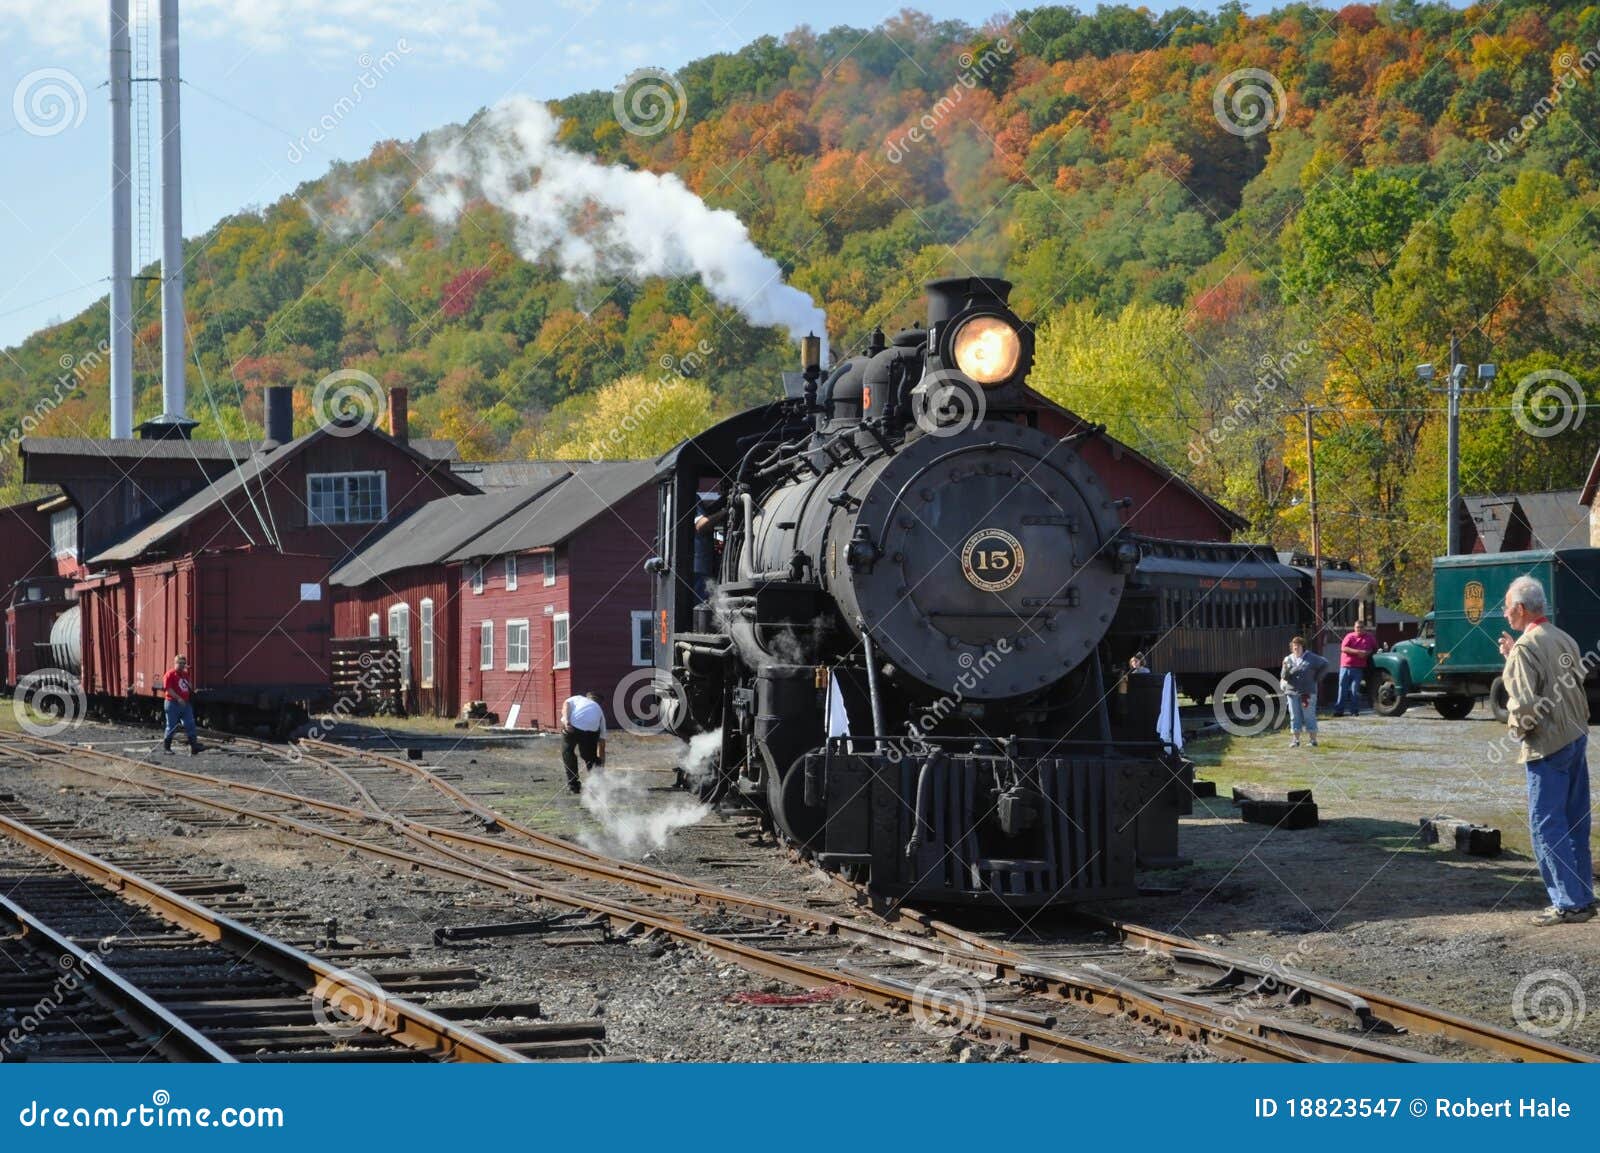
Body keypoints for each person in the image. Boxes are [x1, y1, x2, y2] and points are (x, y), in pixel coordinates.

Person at [1497, 575, 1594, 925]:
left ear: (1521, 609)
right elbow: (1563, 684)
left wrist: (1516, 734)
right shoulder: (1563, 638)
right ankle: (1582, 896)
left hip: (1548, 745)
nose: (1505, 614)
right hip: (1574, 737)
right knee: (1575, 822)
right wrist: (1513, 656)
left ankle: (1566, 902)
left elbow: (1523, 704)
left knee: (1546, 826)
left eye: (1507, 608)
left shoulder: (1526, 647)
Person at [1279, 636, 1329, 748]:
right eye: (1294, 645)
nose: (1296, 647)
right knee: (1294, 716)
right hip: (1291, 692)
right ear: (1291, 647)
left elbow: (1325, 664)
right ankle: (1295, 740)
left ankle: (1313, 740)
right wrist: (1286, 669)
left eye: (1298, 645)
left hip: (1307, 692)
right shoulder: (1288, 659)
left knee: (1309, 716)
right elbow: (1283, 676)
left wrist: (1317, 678)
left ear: (1303, 646)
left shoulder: (1311, 657)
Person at [561, 691, 607, 794]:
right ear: (600, 703)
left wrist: (566, 721)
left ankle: (573, 785)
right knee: (589, 756)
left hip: (573, 726)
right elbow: (602, 745)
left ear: (587, 697)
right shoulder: (600, 713)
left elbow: (566, 704)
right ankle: (595, 784)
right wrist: (601, 768)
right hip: (591, 730)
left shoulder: (578, 699)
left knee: (568, 752)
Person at [1332, 618, 1378, 716]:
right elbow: (1344, 648)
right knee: (1342, 689)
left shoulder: (1369, 637)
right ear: (1354, 628)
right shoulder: (1349, 636)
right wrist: (1358, 652)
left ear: (1364, 628)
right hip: (1345, 666)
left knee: (1355, 690)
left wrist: (1367, 653)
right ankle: (1339, 711)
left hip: (1359, 667)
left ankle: (1354, 711)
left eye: (1361, 627)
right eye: (1357, 627)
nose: (1359, 629)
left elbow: (1374, 649)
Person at [162, 655, 201, 755]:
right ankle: (167, 748)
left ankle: (194, 747)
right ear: (175, 663)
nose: (182, 665)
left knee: (190, 724)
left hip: (185, 704)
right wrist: (178, 698)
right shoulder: (169, 674)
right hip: (172, 703)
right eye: (180, 663)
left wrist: (192, 691)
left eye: (183, 663)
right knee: (171, 726)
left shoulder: (185, 674)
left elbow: (188, 685)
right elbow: (168, 689)